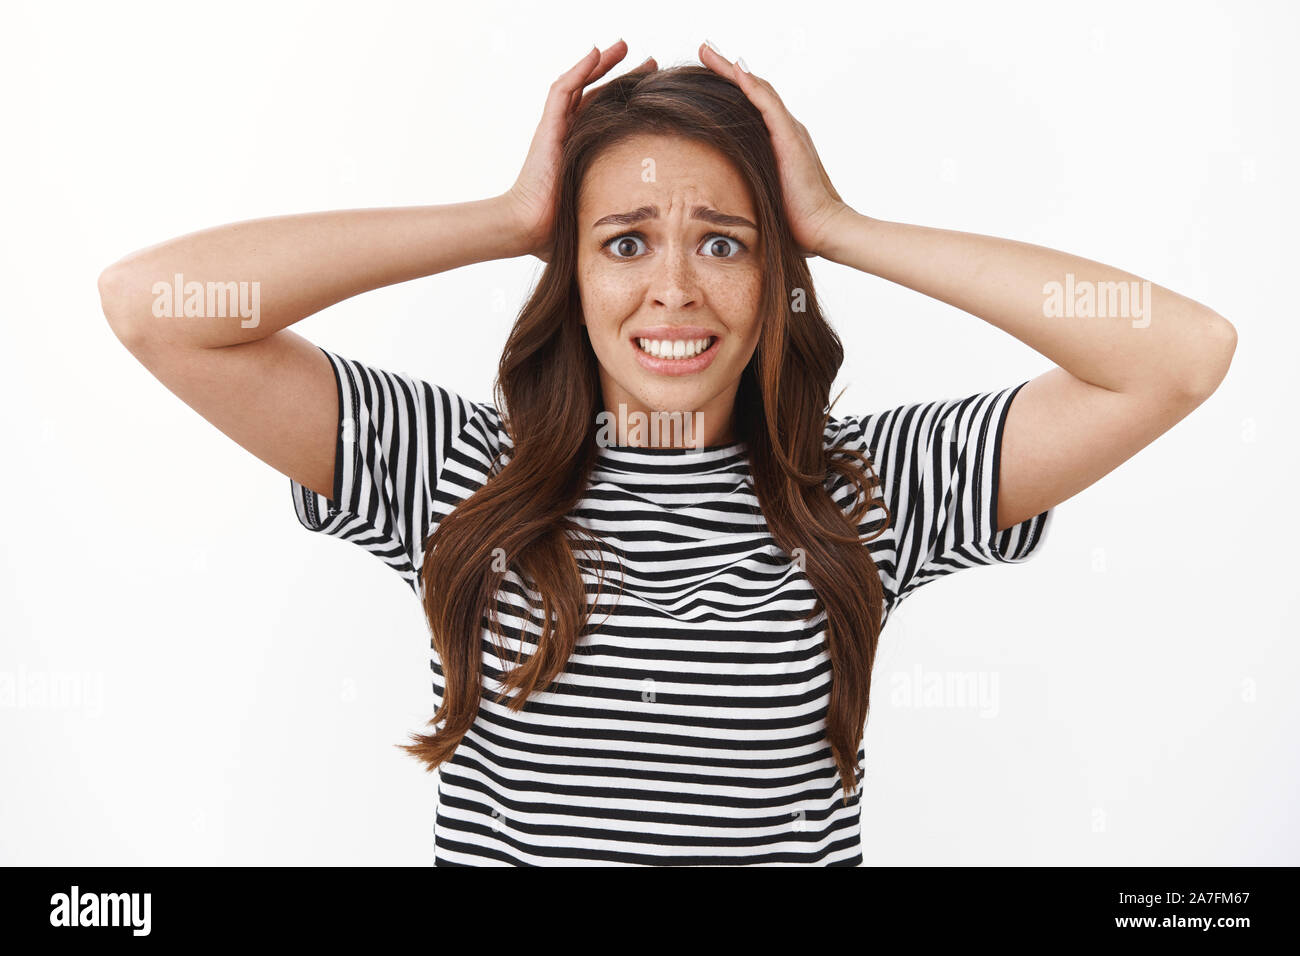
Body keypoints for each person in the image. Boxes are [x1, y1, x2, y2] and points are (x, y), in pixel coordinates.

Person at [97, 39, 1237, 866]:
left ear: (772, 276)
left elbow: (1178, 355)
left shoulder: (870, 492)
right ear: (572, 272)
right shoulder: (452, 469)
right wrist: (501, 220)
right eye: (624, 241)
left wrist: (840, 227)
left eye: (727, 242)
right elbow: (155, 306)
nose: (674, 288)